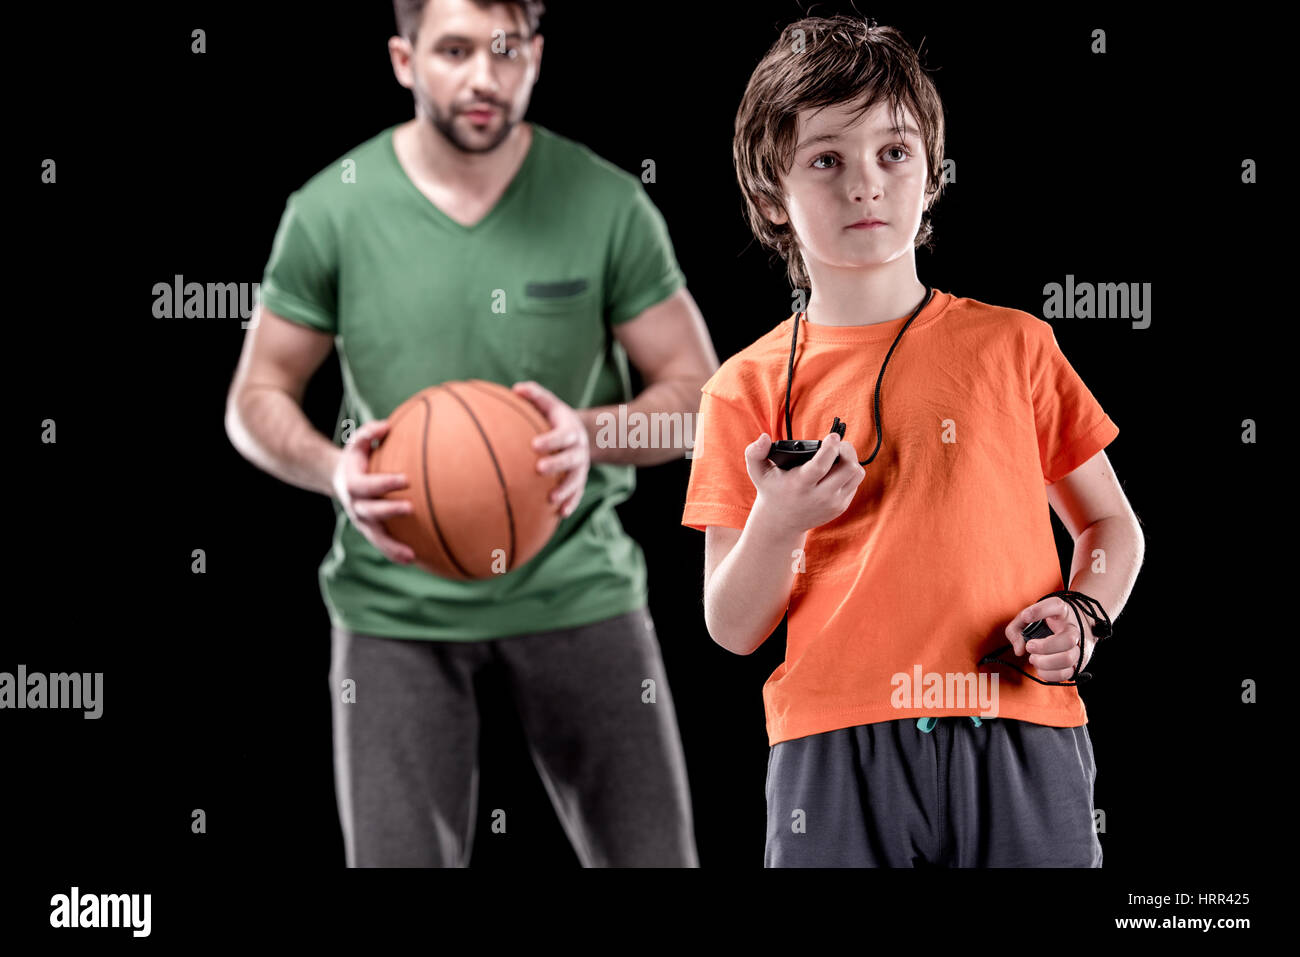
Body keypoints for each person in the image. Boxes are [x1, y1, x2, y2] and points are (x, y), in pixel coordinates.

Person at [225, 0, 716, 867]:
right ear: (403, 60)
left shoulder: (605, 201)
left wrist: (591, 430)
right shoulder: (330, 207)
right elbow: (255, 394)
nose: (484, 77)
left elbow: (698, 395)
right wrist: (333, 468)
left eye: (505, 50)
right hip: (394, 603)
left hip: (580, 589)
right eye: (453, 50)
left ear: (536, 54)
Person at [681, 16, 1145, 867]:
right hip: (830, 749)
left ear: (931, 173)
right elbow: (731, 627)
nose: (867, 183)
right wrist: (778, 523)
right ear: (770, 192)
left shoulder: (1015, 345)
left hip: (1018, 727)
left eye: (893, 152)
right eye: (826, 158)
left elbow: (1112, 528)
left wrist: (1086, 613)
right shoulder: (740, 388)